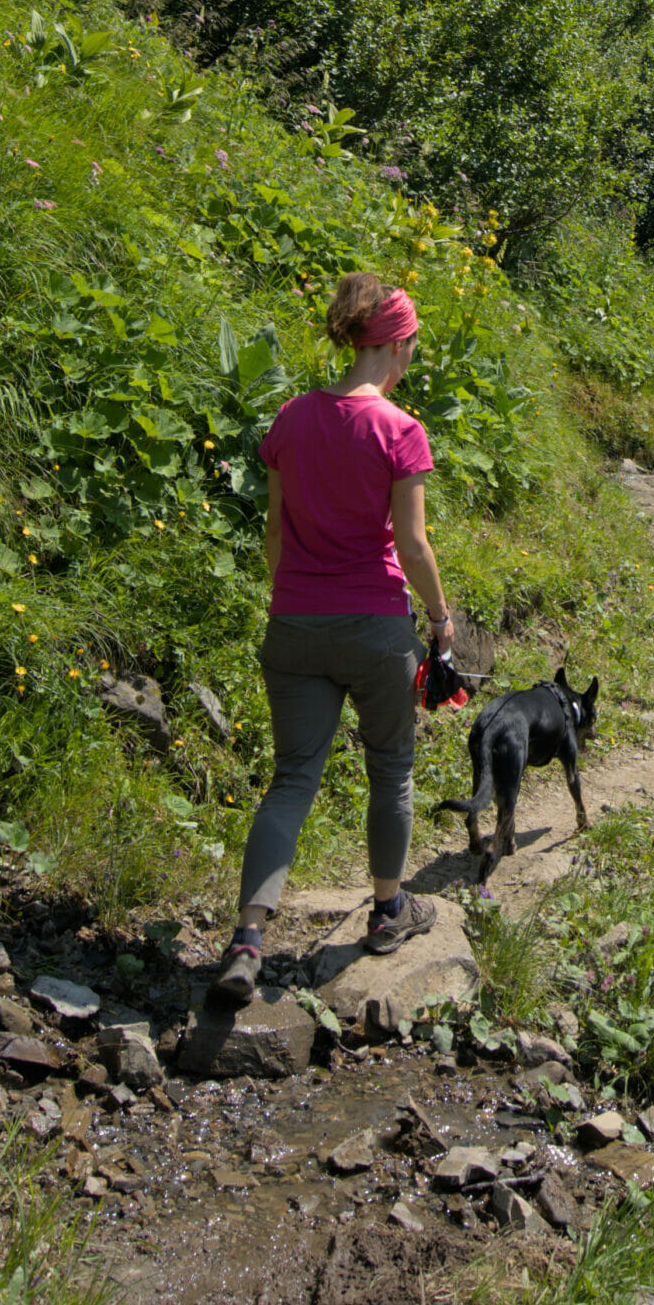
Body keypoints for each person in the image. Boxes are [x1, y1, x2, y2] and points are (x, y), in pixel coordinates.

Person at [208, 272, 455, 1007]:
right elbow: (411, 546)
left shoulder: (291, 418)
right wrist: (440, 622)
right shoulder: (400, 429)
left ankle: (248, 938)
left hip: (295, 623)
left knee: (292, 779)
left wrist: (296, 600)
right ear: (398, 345)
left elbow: (273, 538)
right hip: (377, 627)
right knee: (391, 769)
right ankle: (387, 912)